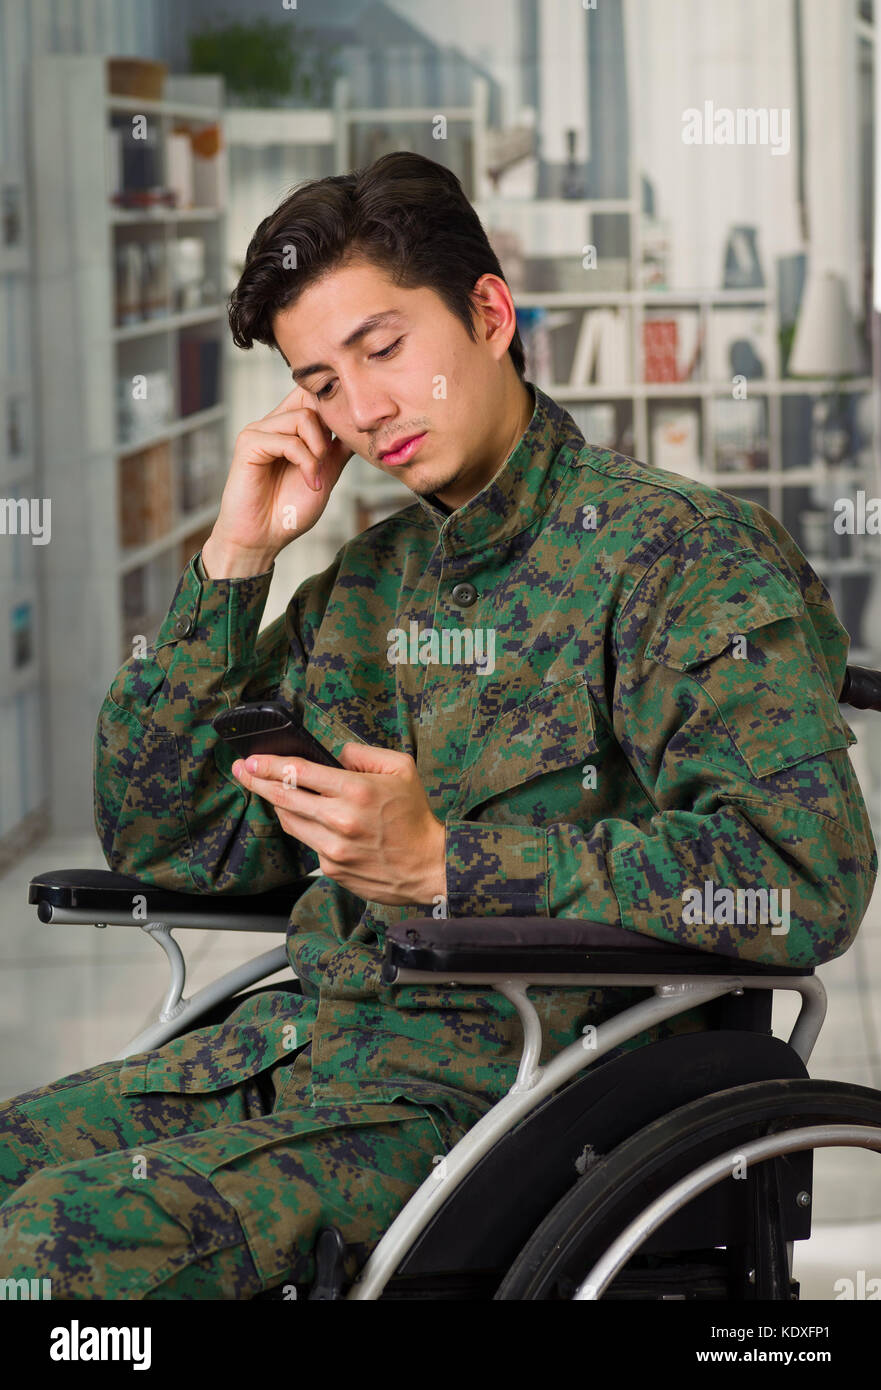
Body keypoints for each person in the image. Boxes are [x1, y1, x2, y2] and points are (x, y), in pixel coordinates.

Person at [0, 152, 875, 1299]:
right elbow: (170, 842)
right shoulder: (368, 584)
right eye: (319, 381)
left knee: (45, 1254)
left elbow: (801, 873)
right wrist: (234, 563)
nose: (361, 410)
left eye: (383, 348)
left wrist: (447, 864)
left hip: (507, 1105)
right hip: (300, 1057)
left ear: (488, 314)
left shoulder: (679, 558)